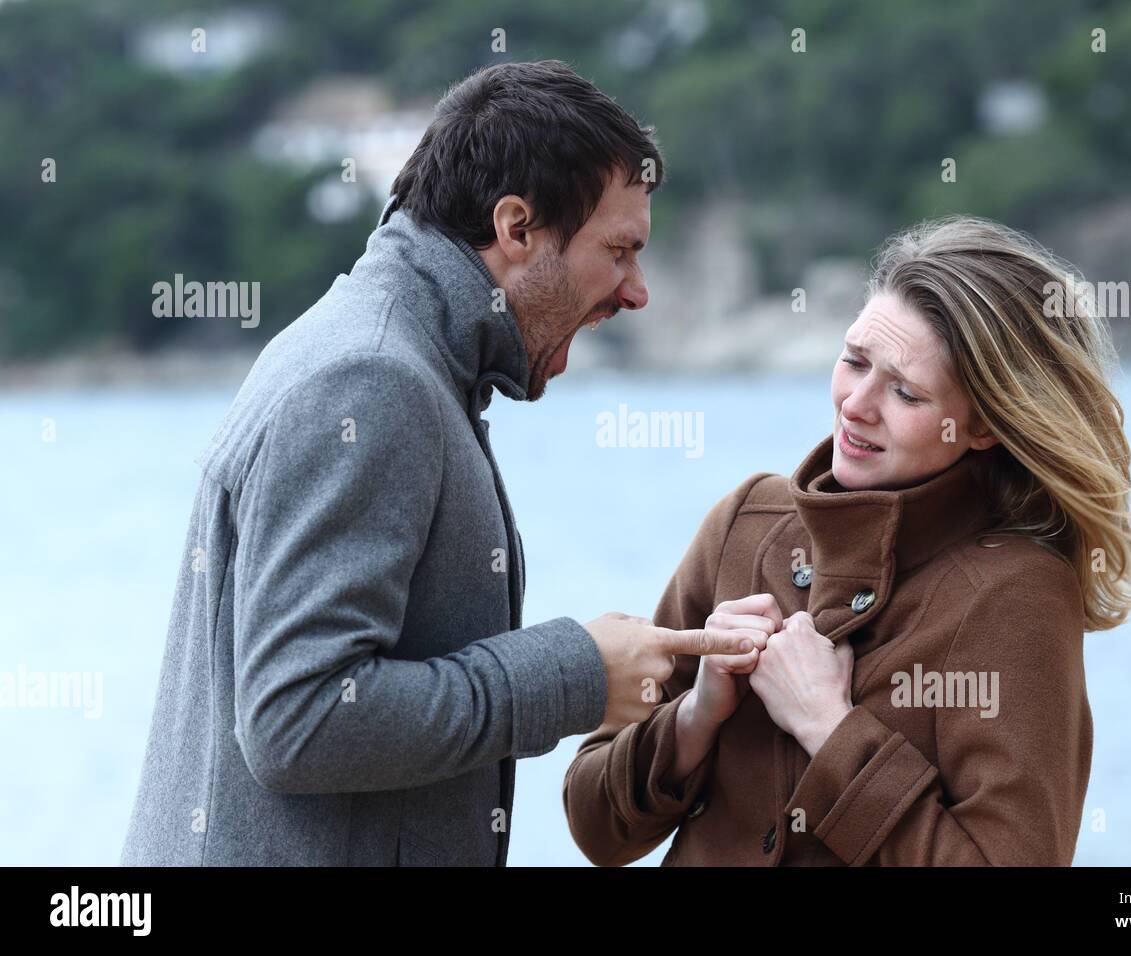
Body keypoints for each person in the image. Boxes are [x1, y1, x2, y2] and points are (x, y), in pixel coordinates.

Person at [120, 60, 750, 867]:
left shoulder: (386, 350)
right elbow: (299, 719)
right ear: (517, 229)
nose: (637, 293)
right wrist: (577, 674)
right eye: (620, 251)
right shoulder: (374, 379)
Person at [563, 216, 1131, 866]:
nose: (856, 404)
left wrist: (829, 728)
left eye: (906, 392)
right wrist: (697, 715)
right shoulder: (745, 523)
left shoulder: (1018, 593)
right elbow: (595, 828)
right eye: (854, 361)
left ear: (982, 426)